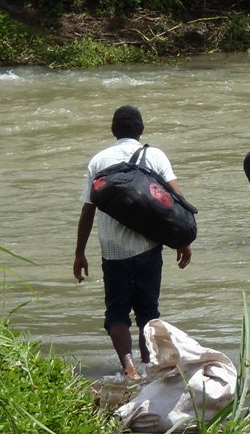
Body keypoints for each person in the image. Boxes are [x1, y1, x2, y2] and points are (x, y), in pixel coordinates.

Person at [73, 105, 192, 381]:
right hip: (148, 247)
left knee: (116, 312)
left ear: (113, 130)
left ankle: (129, 367)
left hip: (113, 251)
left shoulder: (99, 161)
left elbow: (87, 211)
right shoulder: (155, 155)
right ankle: (148, 363)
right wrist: (183, 240)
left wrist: (79, 253)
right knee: (148, 311)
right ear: (141, 129)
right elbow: (176, 199)